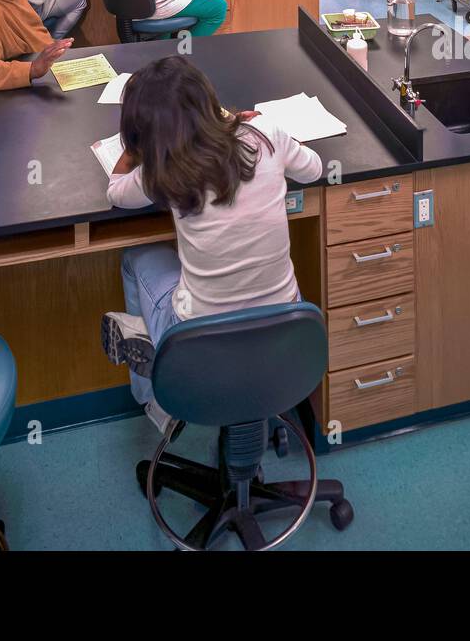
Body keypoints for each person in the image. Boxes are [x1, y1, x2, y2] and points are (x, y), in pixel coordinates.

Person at [99, 55, 323, 431]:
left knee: (136, 257)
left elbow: (116, 193)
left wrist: (133, 150)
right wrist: (250, 126)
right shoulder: (265, 135)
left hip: (202, 339)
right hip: (285, 329)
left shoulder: (162, 169)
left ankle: (155, 399)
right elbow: (314, 169)